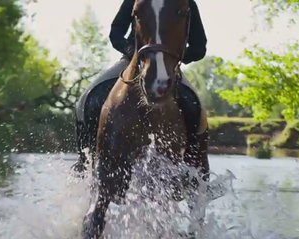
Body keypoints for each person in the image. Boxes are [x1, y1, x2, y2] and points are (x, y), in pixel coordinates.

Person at [74, 0, 208, 172]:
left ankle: (196, 170)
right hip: (131, 61)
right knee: (86, 99)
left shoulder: (186, 3)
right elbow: (115, 34)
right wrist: (135, 55)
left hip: (168, 66)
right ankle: (84, 162)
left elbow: (199, 46)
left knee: (196, 106)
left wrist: (170, 60)